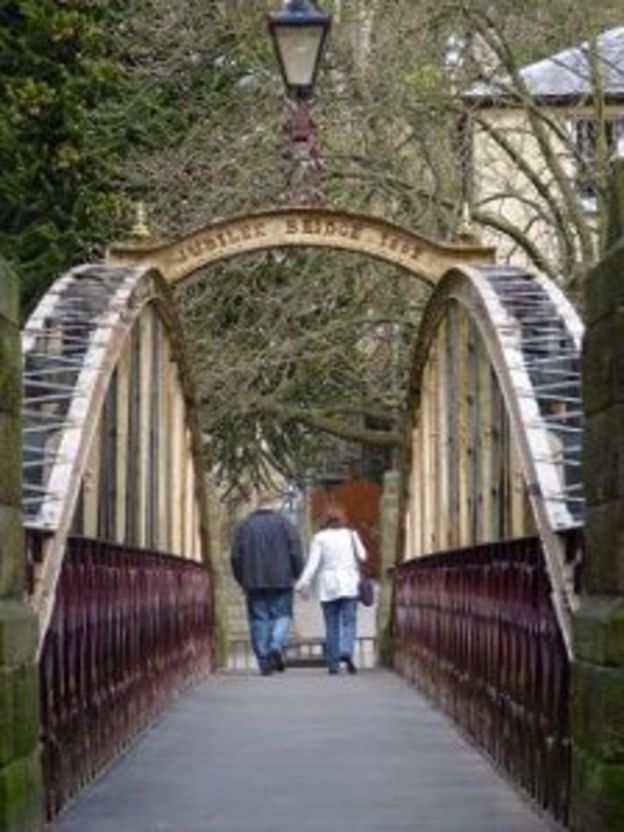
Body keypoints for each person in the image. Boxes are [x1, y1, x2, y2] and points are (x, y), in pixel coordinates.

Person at [231, 490, 304, 675]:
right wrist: (297, 574)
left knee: (258, 619)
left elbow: (235, 556)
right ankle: (276, 644)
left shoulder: (245, 526)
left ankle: (264, 660)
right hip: (282, 579)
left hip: (253, 580)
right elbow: (295, 552)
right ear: (275, 504)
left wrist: (241, 579)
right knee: (282, 615)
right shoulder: (286, 525)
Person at [296, 504, 367, 675]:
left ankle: (333, 664)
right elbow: (363, 555)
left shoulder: (320, 537)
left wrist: (302, 583)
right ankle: (346, 651)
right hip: (349, 583)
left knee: (331, 624)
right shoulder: (351, 535)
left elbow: (313, 564)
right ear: (342, 520)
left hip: (328, 586)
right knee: (349, 621)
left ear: (324, 521)